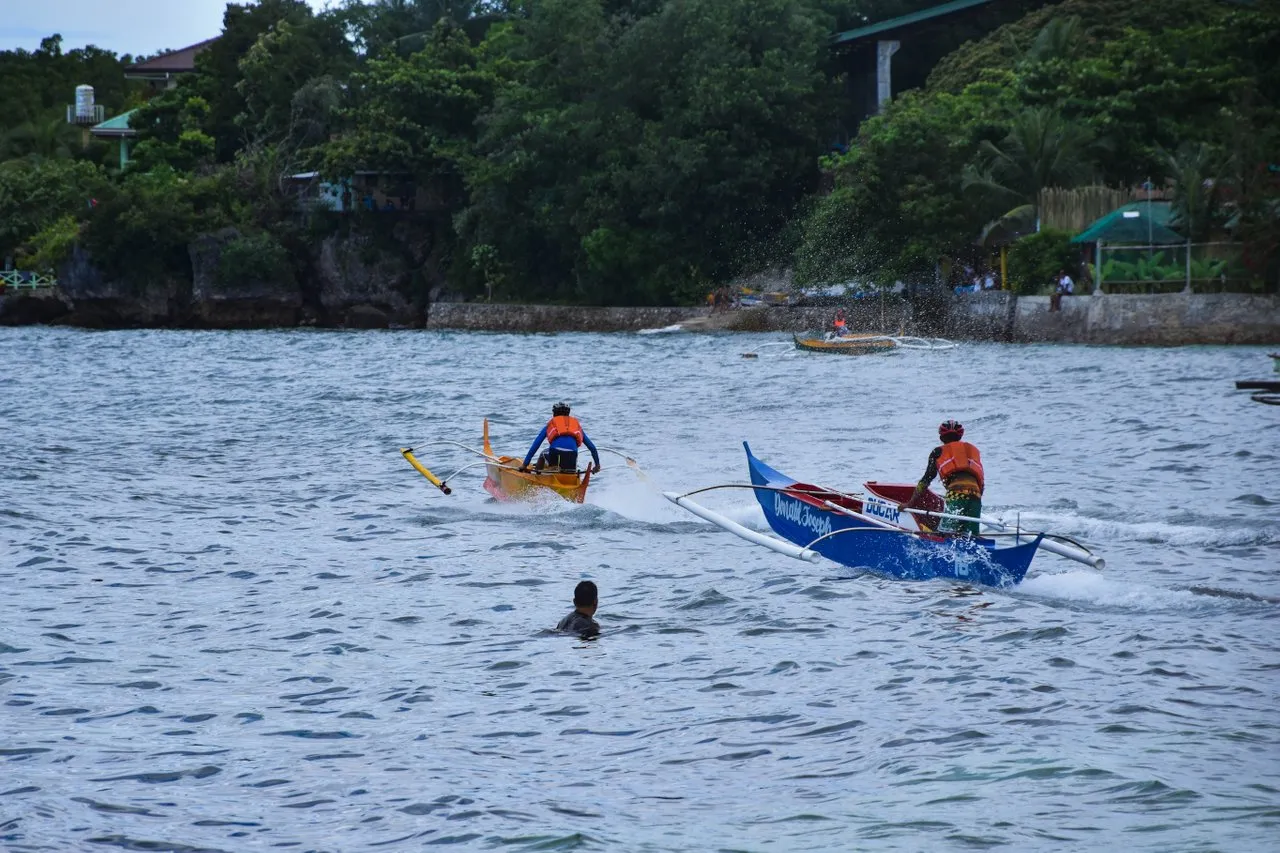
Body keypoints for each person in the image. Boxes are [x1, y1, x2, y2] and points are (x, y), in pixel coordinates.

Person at [900, 420, 984, 536]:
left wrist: (909, 504)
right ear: (960, 436)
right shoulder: (972, 452)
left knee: (945, 535)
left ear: (941, 437)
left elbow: (925, 481)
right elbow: (981, 483)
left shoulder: (937, 452)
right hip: (976, 496)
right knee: (971, 536)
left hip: (956, 495)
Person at [520, 402, 601, 474]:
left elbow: (536, 445)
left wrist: (525, 464)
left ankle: (538, 476)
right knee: (570, 467)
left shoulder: (551, 424)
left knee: (543, 454)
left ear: (554, 414)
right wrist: (597, 465)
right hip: (572, 454)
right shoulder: (575, 425)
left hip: (555, 453)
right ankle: (570, 473)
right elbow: (592, 447)